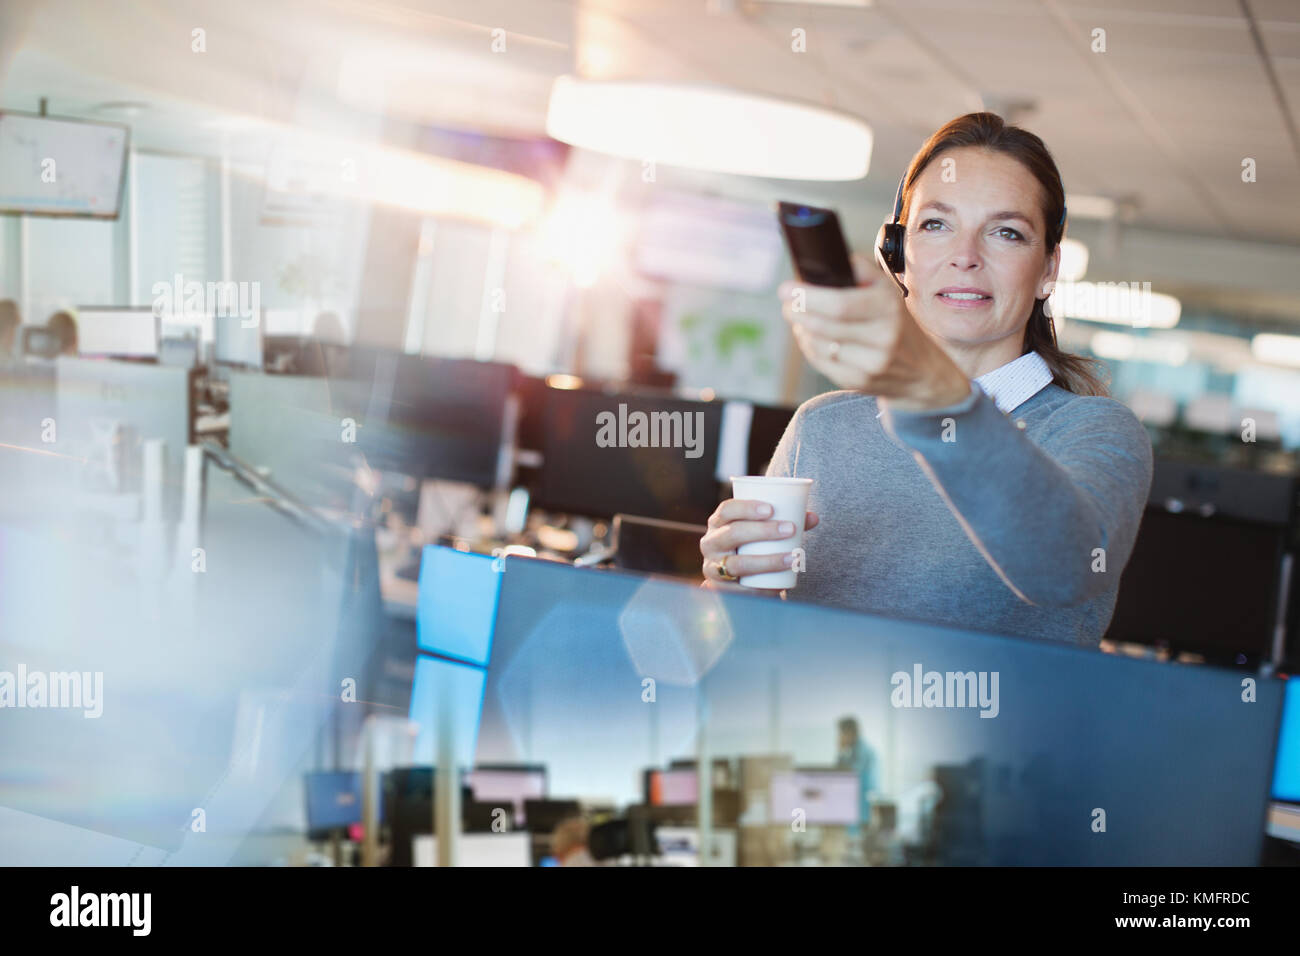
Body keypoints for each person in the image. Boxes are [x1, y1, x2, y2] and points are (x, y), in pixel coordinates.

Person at [700, 112, 1153, 646]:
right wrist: (729, 587)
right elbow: (741, 642)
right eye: (936, 225)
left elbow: (1065, 569)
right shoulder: (822, 425)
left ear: (1048, 270)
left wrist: (928, 391)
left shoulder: (1095, 431)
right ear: (898, 255)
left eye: (1006, 232)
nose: (965, 257)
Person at [835, 717, 878, 827]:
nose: (840, 737)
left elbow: (848, 774)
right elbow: (838, 769)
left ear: (849, 733)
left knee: (858, 833)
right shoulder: (854, 749)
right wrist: (841, 751)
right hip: (858, 802)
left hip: (862, 802)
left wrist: (841, 751)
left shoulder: (862, 749)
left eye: (842, 733)